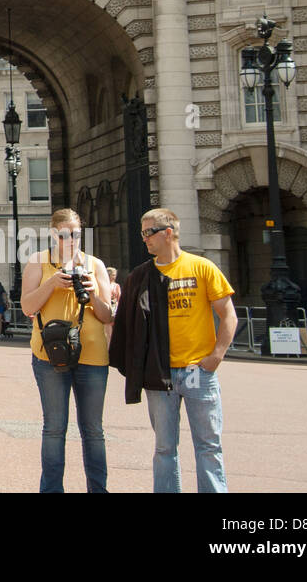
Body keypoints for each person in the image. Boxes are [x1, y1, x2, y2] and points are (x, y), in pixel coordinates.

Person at [109, 207, 237, 494]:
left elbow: (229, 315)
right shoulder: (141, 275)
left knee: (208, 445)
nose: (144, 239)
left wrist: (216, 356)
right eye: (142, 233)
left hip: (198, 371)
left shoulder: (202, 267)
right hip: (159, 373)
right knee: (165, 447)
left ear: (168, 233)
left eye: (148, 233)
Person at [20, 208, 115, 493]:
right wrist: (52, 283)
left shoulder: (94, 265)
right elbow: (27, 307)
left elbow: (107, 315)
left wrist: (93, 291)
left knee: (93, 431)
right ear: (53, 234)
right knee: (54, 428)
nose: (70, 240)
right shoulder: (38, 262)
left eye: (75, 234)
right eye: (63, 235)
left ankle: (98, 490)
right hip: (50, 355)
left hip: (92, 354)